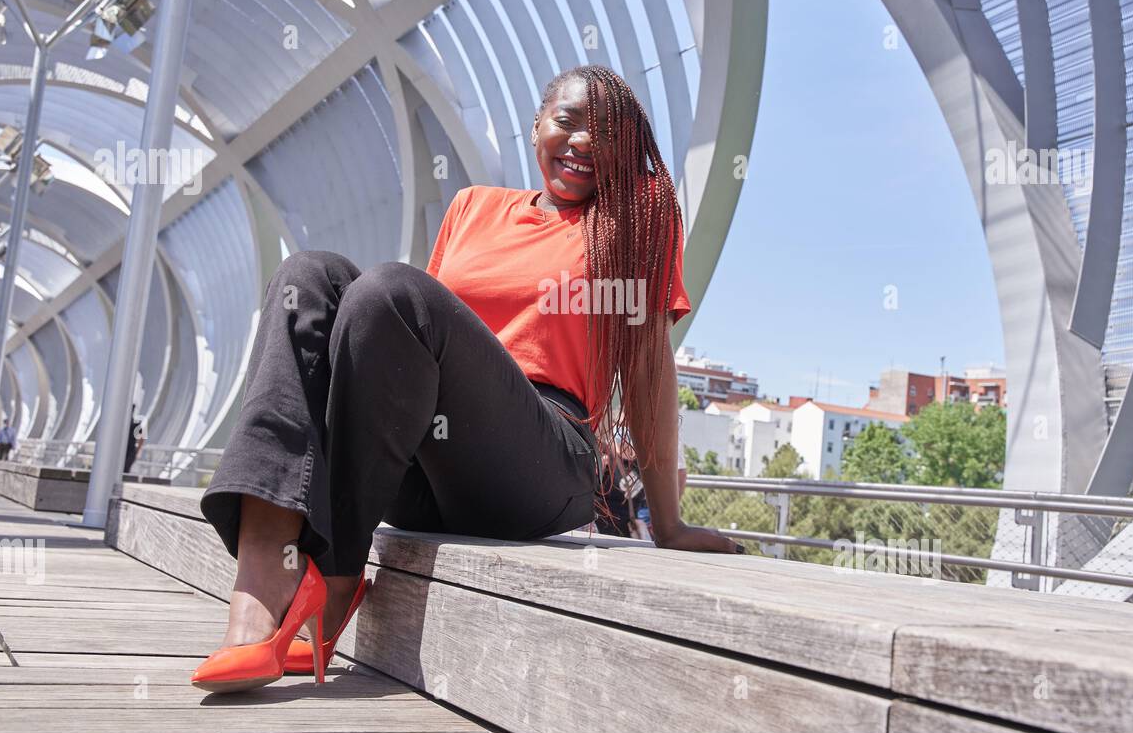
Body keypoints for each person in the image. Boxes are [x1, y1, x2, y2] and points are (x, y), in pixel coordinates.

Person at [191, 65, 741, 695]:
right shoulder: (473, 208)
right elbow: (390, 343)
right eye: (567, 121)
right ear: (535, 127)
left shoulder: (636, 216)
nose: (584, 140)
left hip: (539, 466)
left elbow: (649, 365)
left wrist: (668, 525)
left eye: (607, 131)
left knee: (392, 291)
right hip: (421, 473)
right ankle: (266, 572)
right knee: (307, 277)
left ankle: (335, 576)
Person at [123, 405, 145, 475]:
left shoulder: (135, 424)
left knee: (125, 470)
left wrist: (138, 450)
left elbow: (142, 437)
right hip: (125, 451)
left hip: (129, 451)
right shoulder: (122, 423)